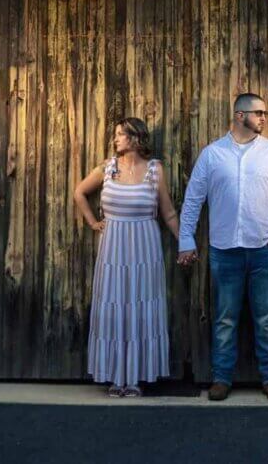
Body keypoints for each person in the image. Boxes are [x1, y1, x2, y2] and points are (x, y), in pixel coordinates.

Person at [177, 92, 268, 402]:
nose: (263, 118)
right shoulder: (212, 154)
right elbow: (193, 200)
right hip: (225, 250)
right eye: (258, 112)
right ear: (239, 115)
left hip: (265, 250)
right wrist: (186, 240)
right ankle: (221, 379)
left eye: (265, 113)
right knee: (225, 318)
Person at [72, 116, 180, 397]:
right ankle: (115, 377)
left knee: (140, 307)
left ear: (134, 139)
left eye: (120, 135)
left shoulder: (155, 170)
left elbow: (168, 212)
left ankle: (135, 377)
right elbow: (80, 193)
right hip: (113, 247)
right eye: (116, 134)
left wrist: (186, 243)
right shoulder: (107, 168)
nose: (115, 139)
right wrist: (93, 223)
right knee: (114, 306)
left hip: (145, 245)